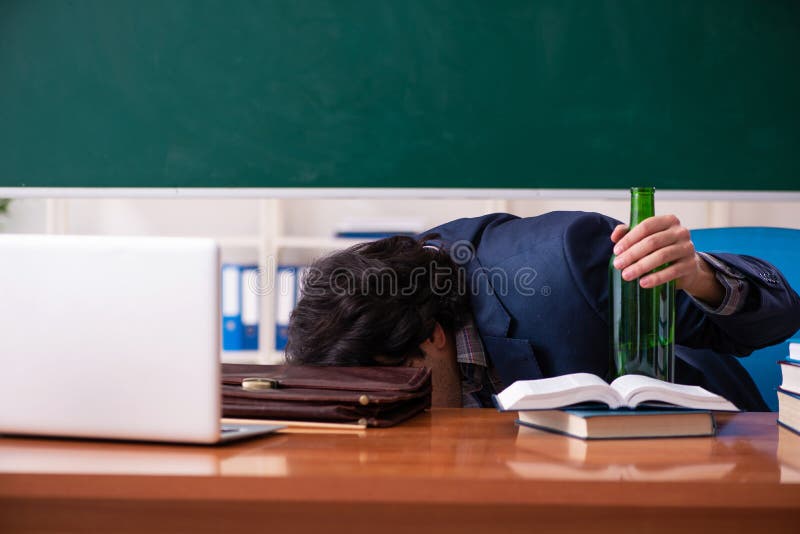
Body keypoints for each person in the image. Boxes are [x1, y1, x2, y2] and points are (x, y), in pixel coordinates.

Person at [286, 211, 800, 411]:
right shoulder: (390, 287)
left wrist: (700, 278)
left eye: (388, 389)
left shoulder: (570, 265)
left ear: (431, 337)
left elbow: (780, 317)